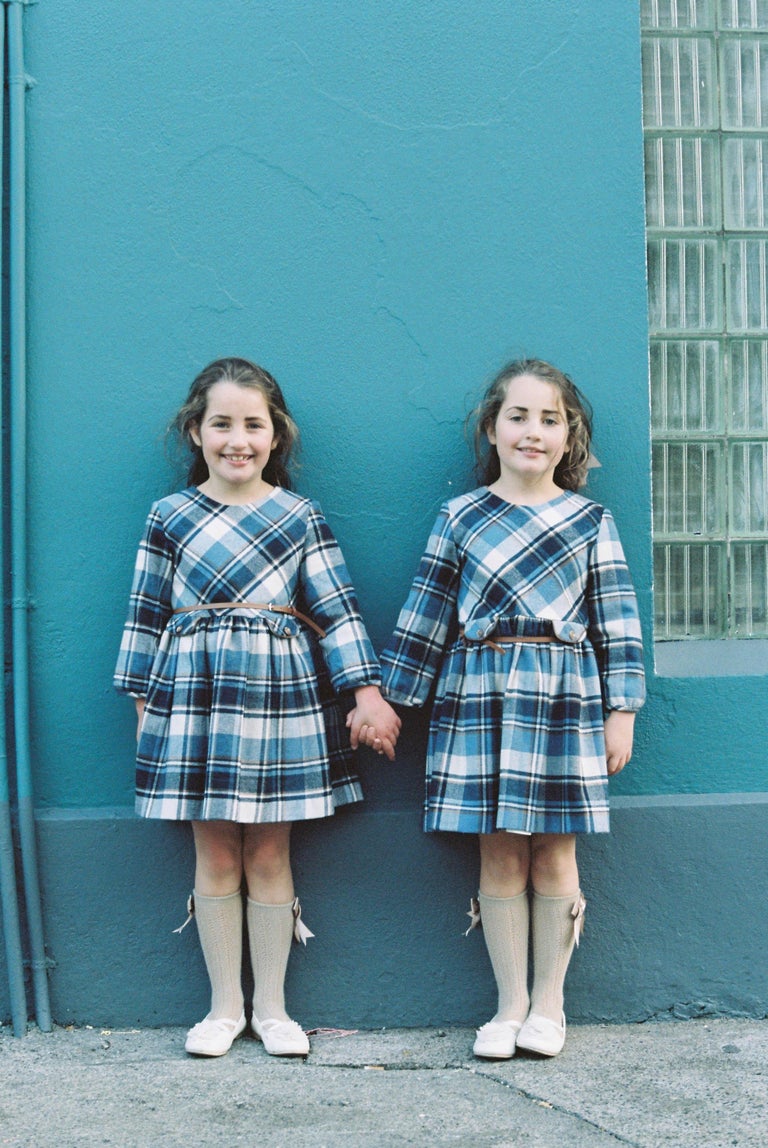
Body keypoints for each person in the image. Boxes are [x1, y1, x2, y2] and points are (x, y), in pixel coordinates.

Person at [114, 357, 400, 1059]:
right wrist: (145, 705)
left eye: (253, 424)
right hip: (195, 701)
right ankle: (222, 1009)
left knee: (269, 849)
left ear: (277, 435)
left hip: (279, 700)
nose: (237, 439)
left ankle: (272, 1008)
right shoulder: (169, 517)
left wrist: (366, 692)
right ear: (195, 431)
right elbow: (146, 614)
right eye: (221, 424)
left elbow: (335, 611)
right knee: (214, 847)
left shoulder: (298, 516)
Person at [376, 358, 645, 1059]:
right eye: (518, 416)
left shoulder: (589, 519)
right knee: (498, 851)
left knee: (554, 851)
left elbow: (617, 617)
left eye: (549, 419)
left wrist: (625, 709)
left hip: (562, 698)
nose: (533, 431)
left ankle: (550, 1006)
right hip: (480, 692)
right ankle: (509, 1005)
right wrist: (393, 698)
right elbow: (428, 610)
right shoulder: (461, 516)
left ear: (569, 436)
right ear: (492, 429)